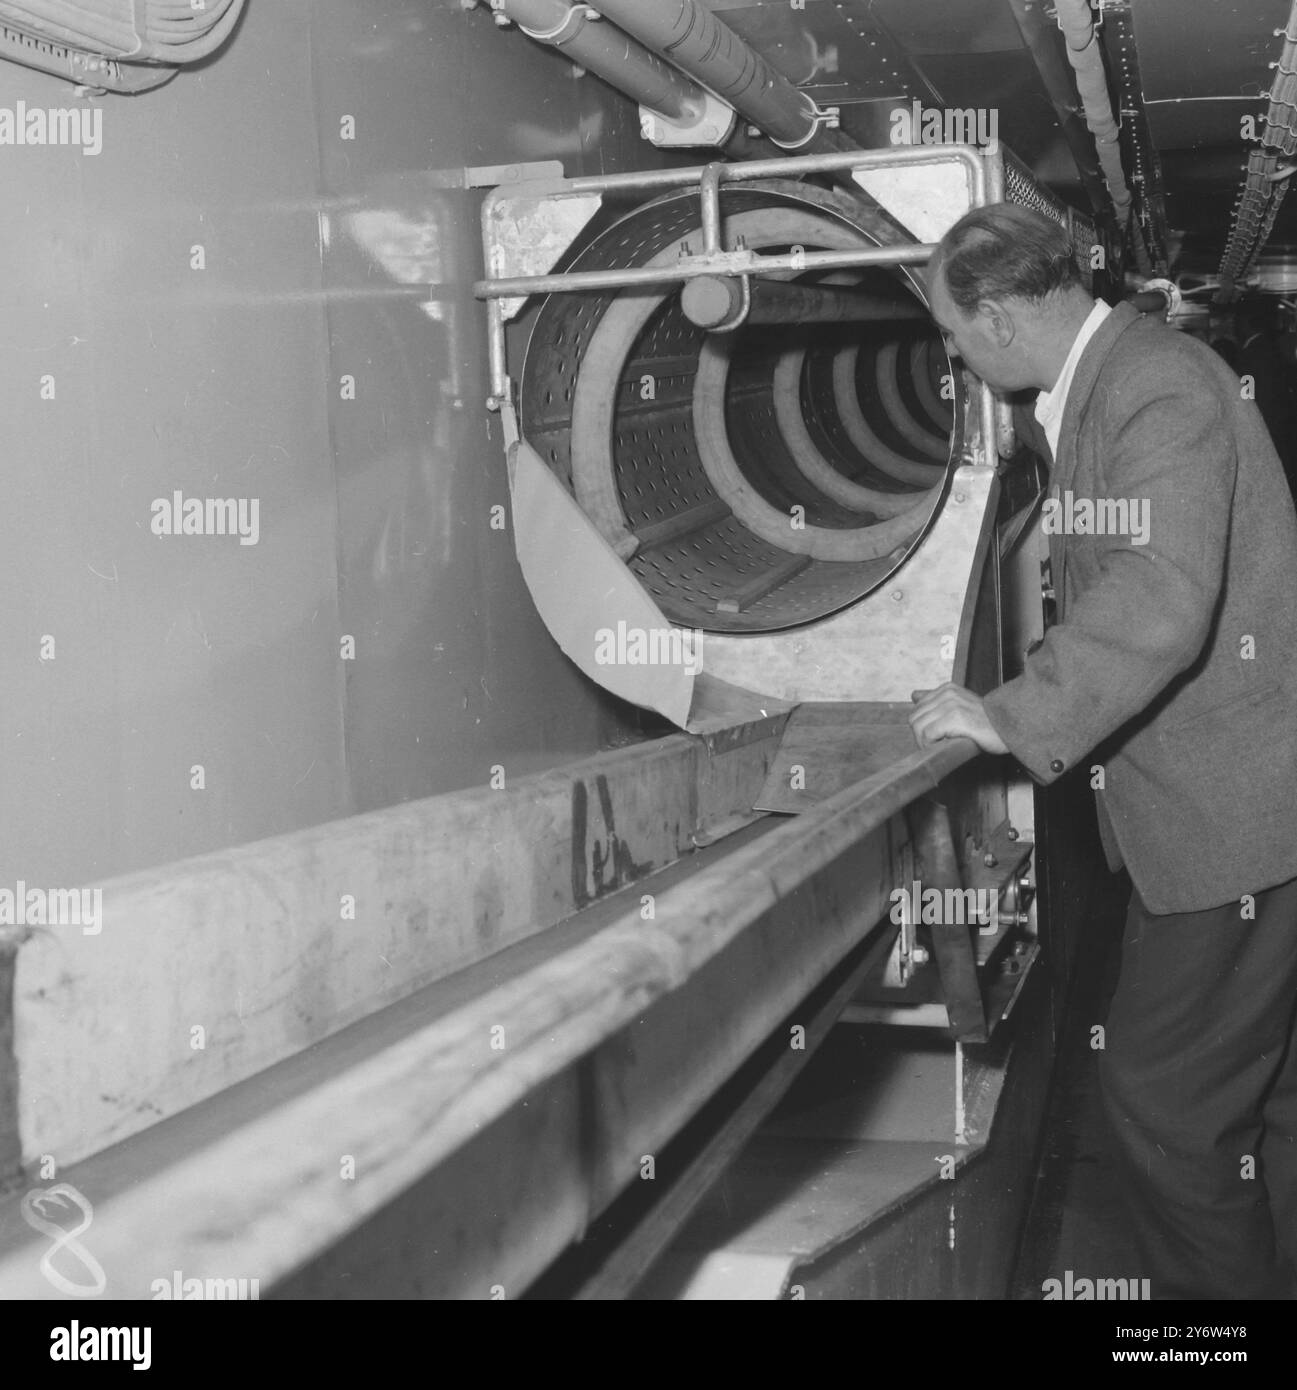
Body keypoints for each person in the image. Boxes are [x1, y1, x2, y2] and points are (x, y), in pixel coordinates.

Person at [908, 202, 1297, 1300]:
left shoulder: (1152, 384)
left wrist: (1010, 713)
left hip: (1236, 817)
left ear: (993, 316)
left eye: (948, 332)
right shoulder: (1108, 381)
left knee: (1161, 1100)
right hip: (1235, 812)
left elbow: (1161, 594)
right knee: (1263, 1088)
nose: (949, 355)